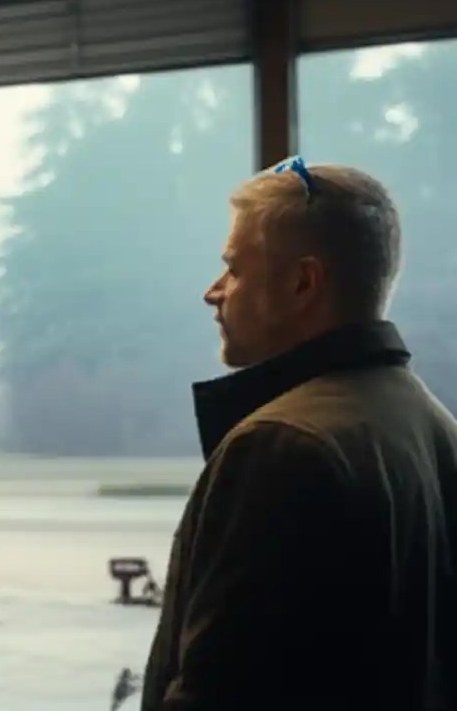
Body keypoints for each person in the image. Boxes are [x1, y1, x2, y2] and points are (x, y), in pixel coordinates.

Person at [141, 157, 457, 710]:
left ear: (302, 283)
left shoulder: (281, 447)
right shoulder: (436, 427)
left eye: (235, 269)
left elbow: (224, 690)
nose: (213, 292)